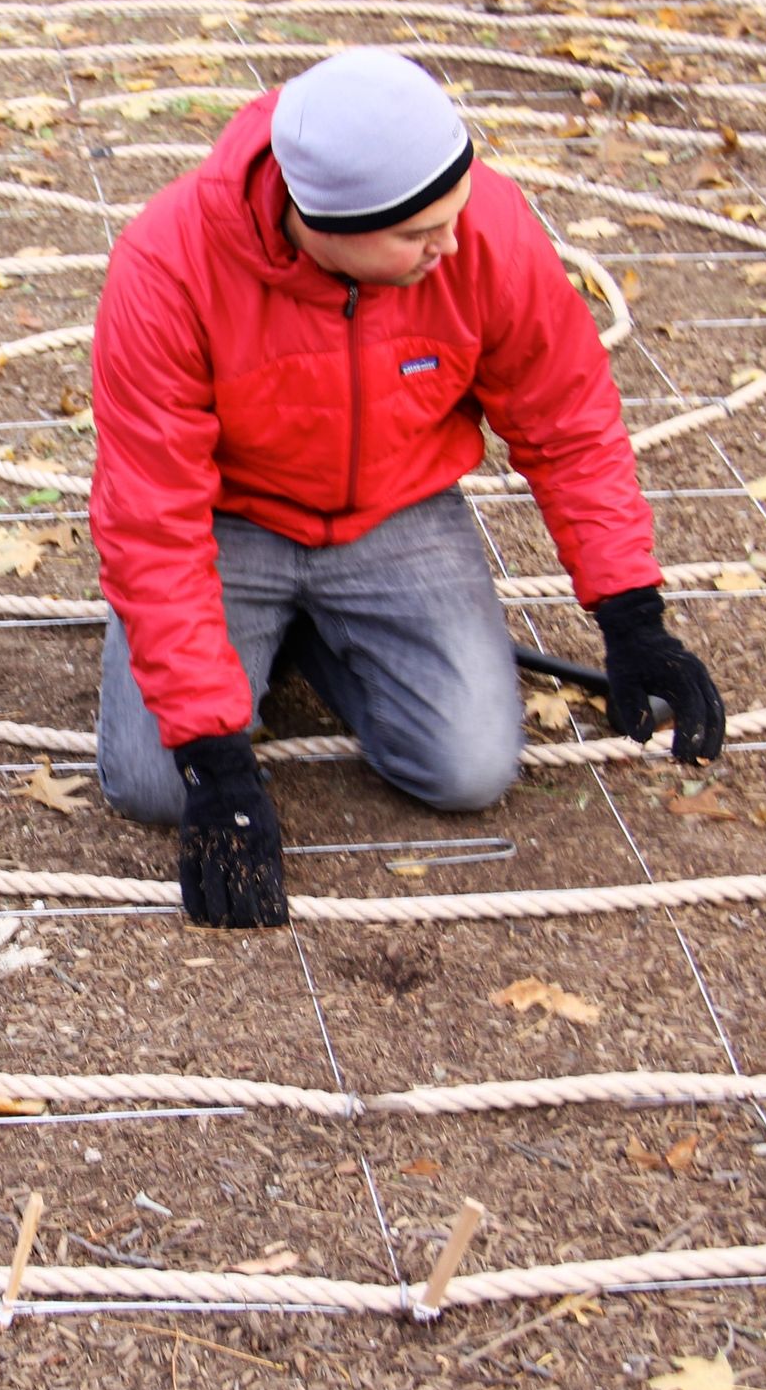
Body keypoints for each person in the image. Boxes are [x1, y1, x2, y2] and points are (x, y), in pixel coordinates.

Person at [90, 48, 725, 930]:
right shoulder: (168, 267)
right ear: (321, 223)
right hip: (229, 522)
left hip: (397, 512)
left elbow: (569, 420)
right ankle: (254, 641)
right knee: (155, 785)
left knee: (469, 769)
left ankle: (305, 642)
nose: (451, 246)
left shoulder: (483, 229)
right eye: (419, 234)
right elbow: (152, 519)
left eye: (455, 215)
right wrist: (215, 761)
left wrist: (632, 617)